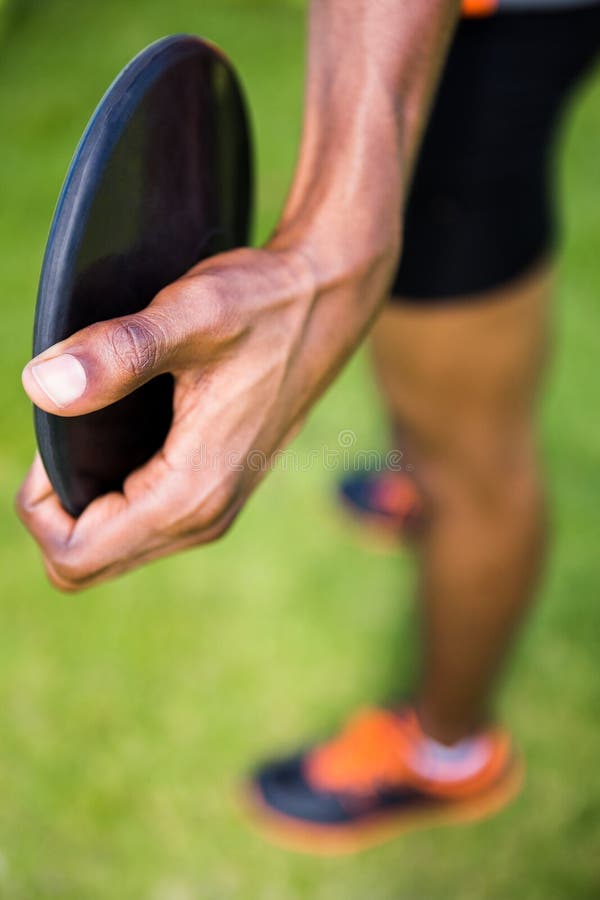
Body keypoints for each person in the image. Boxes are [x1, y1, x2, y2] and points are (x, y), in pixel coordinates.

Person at [16, 0, 600, 854]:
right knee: (410, 326)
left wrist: (332, 249)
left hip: (500, 24)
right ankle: (418, 486)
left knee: (469, 453)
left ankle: (449, 754)